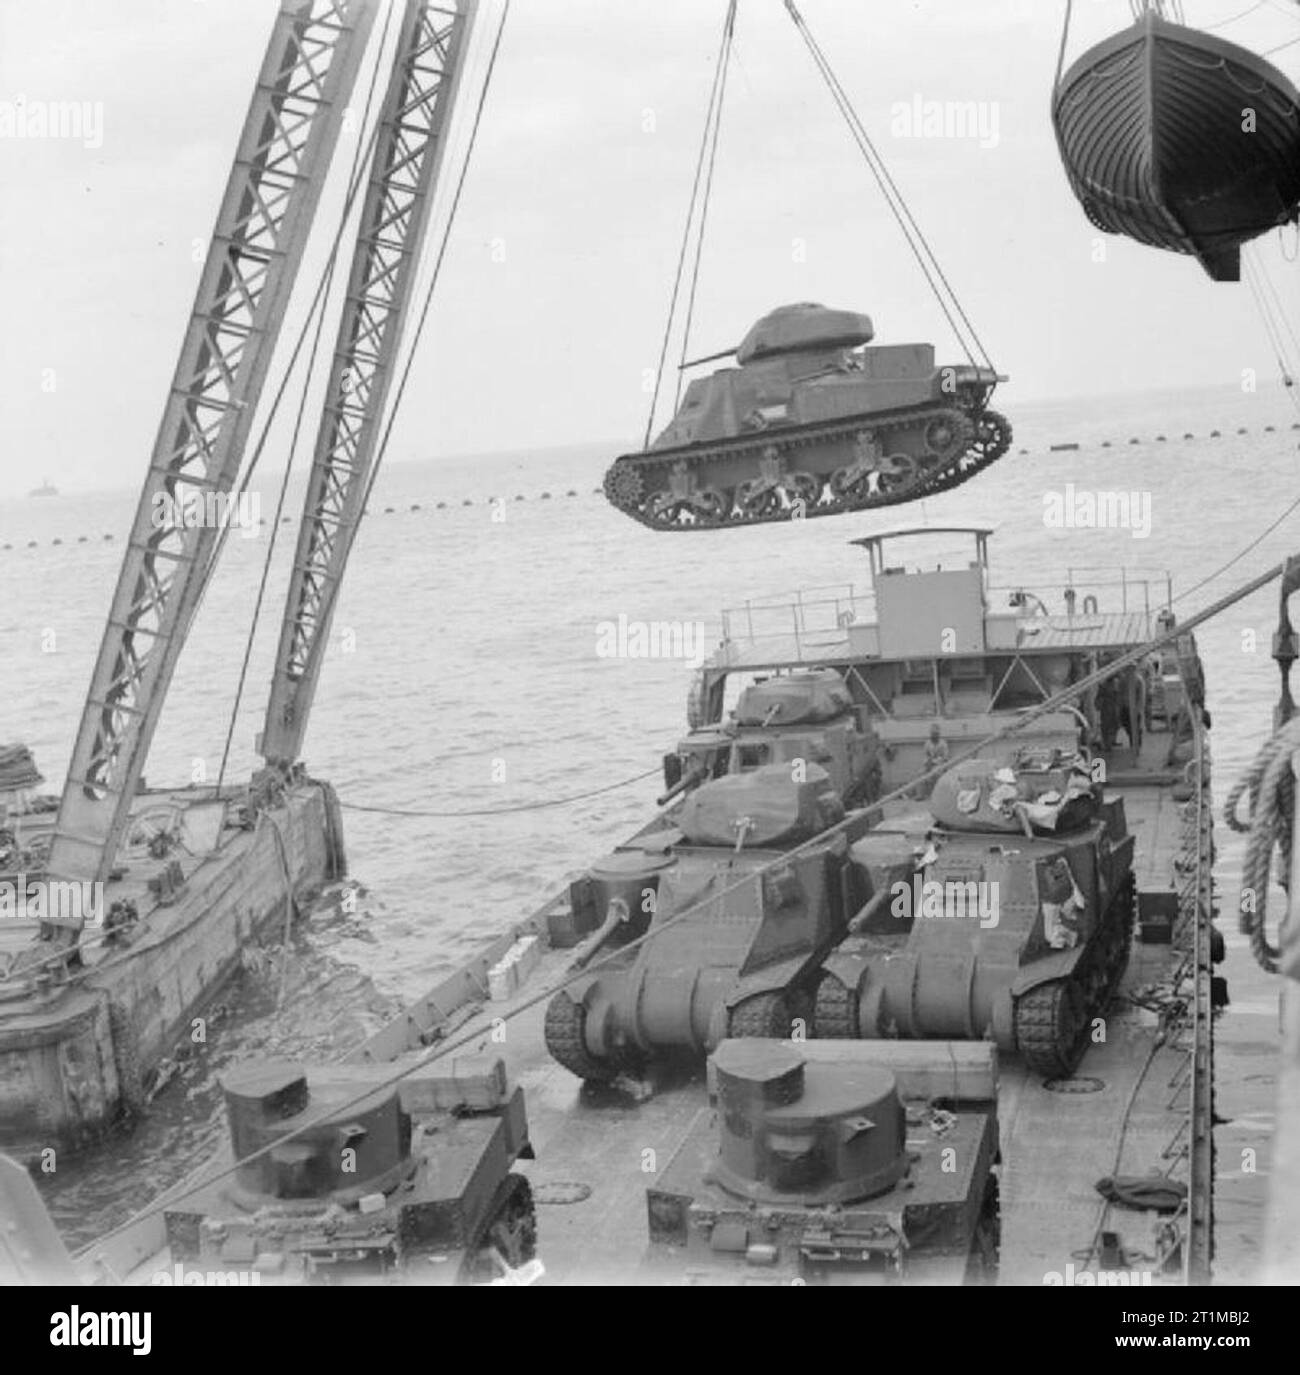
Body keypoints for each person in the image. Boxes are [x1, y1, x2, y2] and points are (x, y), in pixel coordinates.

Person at [918, 723, 950, 798]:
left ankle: (937, 795)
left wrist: (933, 762)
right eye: (932, 734)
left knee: (935, 773)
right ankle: (921, 795)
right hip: (928, 764)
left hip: (939, 765)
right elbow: (926, 755)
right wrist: (927, 762)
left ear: (938, 734)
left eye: (935, 734)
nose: (934, 736)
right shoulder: (927, 743)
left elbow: (945, 757)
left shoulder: (943, 744)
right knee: (920, 773)